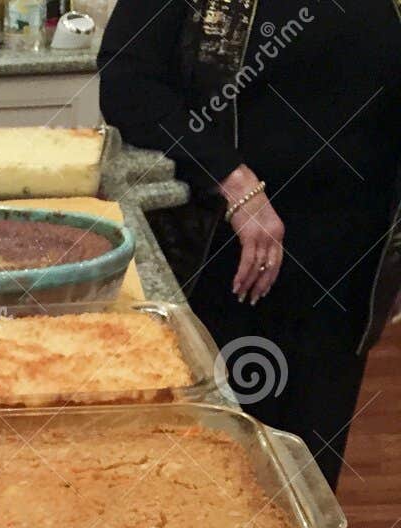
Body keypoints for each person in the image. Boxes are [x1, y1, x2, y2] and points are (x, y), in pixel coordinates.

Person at [99, 0, 401, 489]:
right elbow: (129, 82)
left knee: (308, 471)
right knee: (210, 468)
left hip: (348, 266)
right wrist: (232, 181)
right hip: (217, 254)